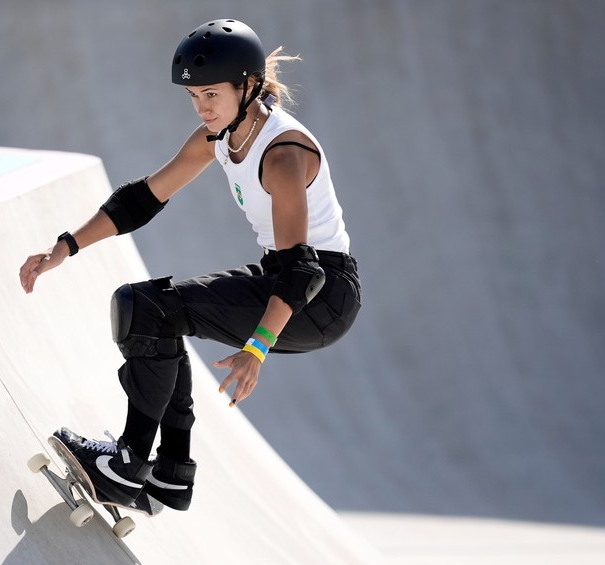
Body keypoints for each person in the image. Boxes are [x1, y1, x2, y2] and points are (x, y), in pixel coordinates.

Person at [19, 19, 360, 512]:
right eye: (194, 96)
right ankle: (171, 473)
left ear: (248, 87)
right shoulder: (220, 135)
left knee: (145, 306)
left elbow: (304, 271)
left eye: (212, 95)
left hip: (318, 296)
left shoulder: (282, 154)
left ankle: (125, 465)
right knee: (157, 312)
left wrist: (257, 349)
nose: (202, 109)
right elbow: (144, 197)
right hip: (286, 279)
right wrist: (65, 246)